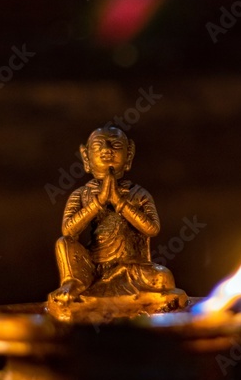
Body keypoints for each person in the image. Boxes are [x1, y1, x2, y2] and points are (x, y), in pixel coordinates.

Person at [48, 126, 177, 305]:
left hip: (131, 269)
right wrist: (99, 201)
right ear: (86, 157)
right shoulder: (81, 194)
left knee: (163, 277)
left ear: (129, 155)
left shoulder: (138, 194)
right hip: (93, 268)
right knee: (63, 242)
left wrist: (119, 202)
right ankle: (74, 283)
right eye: (99, 145)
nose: (107, 149)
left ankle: (98, 293)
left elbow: (152, 229)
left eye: (115, 145)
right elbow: (69, 231)